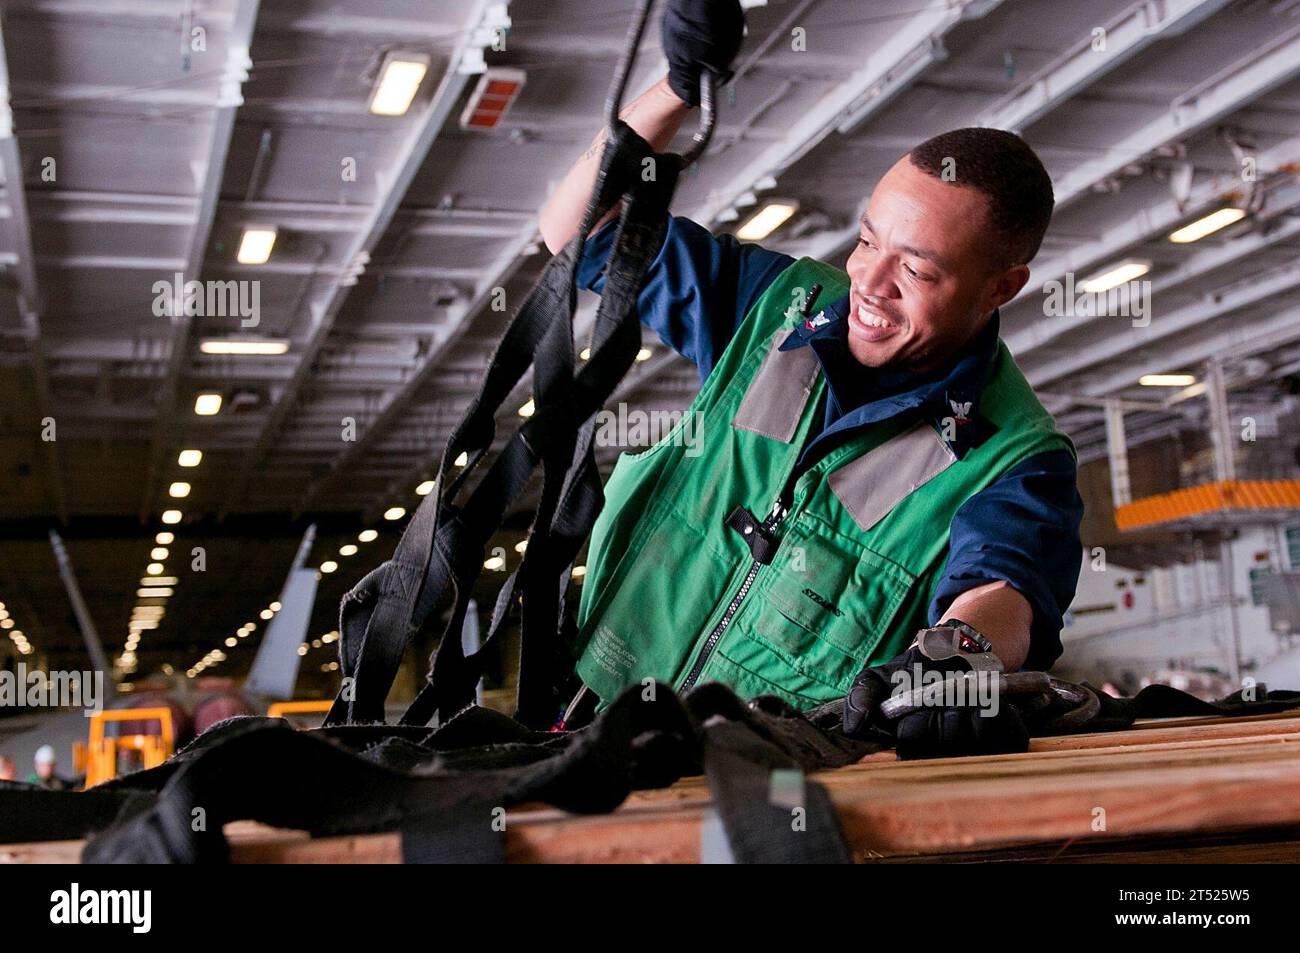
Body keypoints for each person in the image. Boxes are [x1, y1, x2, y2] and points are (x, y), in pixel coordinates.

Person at [538, 0, 1082, 757]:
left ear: (1001, 287)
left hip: (769, 779)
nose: (868, 281)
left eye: (916, 269)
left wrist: (959, 655)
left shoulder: (1015, 457)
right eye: (867, 240)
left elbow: (1005, 592)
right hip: (592, 726)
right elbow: (576, 235)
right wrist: (675, 90)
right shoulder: (776, 307)